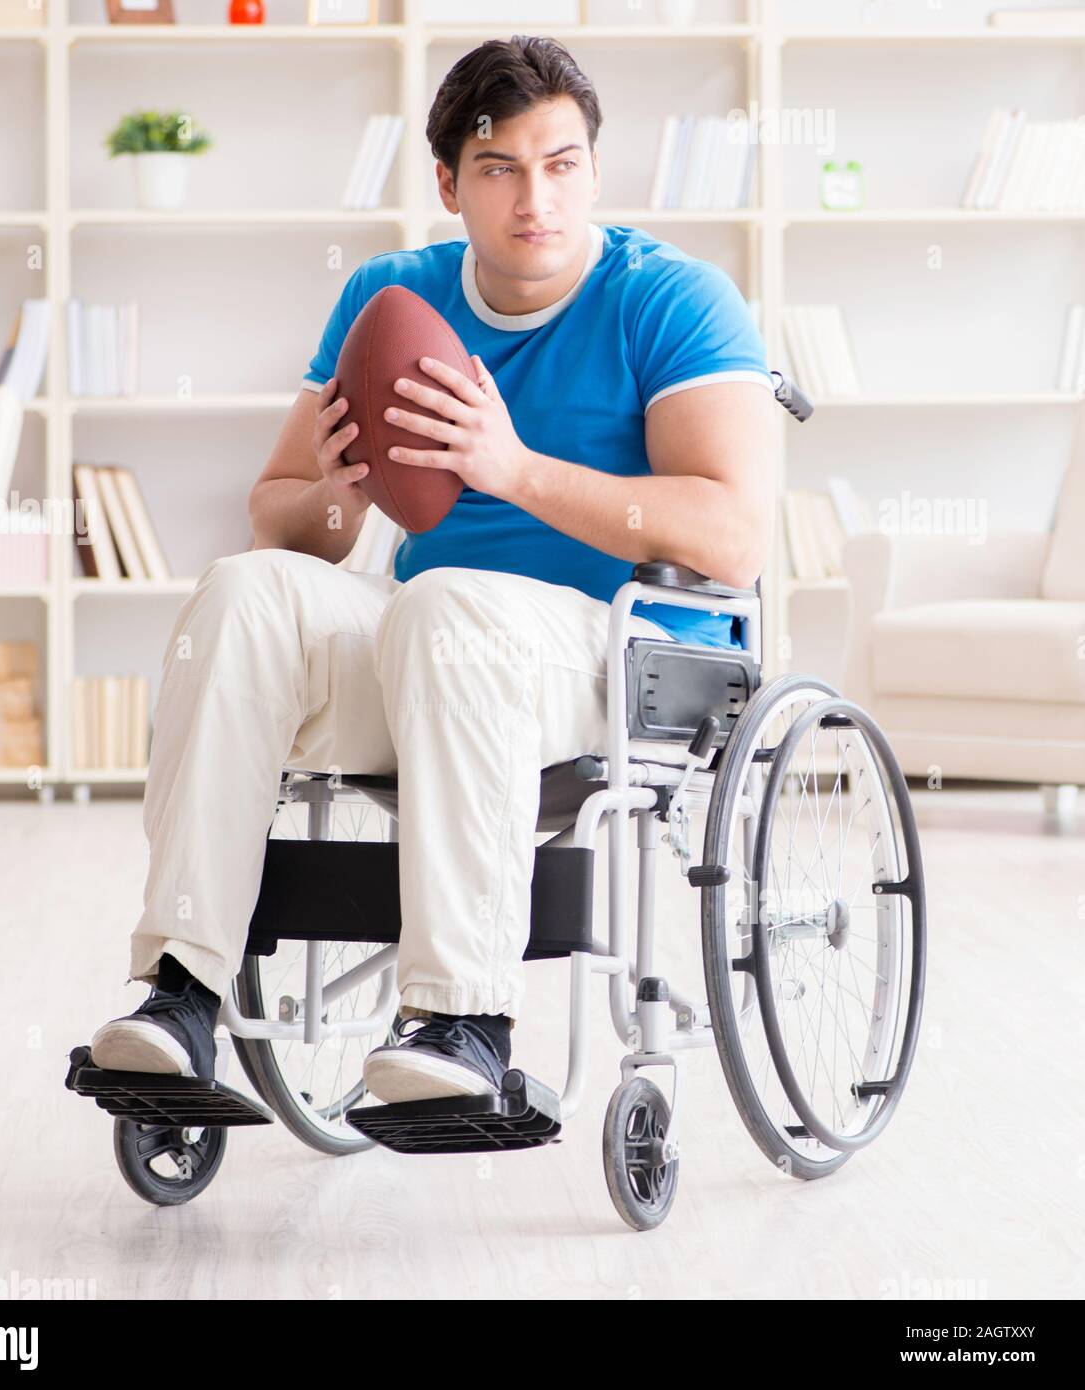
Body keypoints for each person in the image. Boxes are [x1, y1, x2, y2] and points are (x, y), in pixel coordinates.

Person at [89, 34, 776, 1105]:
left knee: (447, 606)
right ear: (450, 184)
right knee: (243, 591)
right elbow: (283, 519)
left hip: (612, 658)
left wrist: (514, 471)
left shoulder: (673, 299)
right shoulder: (390, 294)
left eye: (561, 164)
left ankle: (463, 1019)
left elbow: (732, 536)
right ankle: (179, 990)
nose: (535, 199)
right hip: (434, 650)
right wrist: (342, 492)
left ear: (595, 169)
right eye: (499, 168)